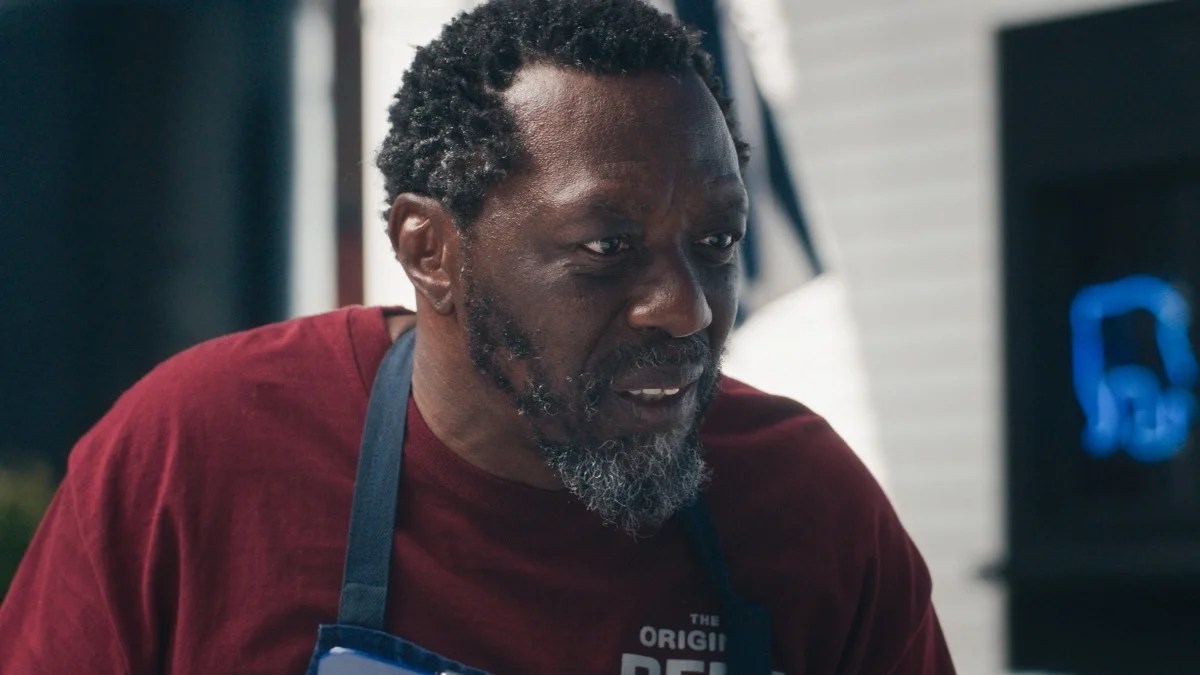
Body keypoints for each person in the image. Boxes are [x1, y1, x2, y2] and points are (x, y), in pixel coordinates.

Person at [0, 0, 956, 672]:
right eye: (606, 247)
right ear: (431, 250)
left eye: (715, 243)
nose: (687, 309)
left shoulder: (809, 509)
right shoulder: (195, 453)